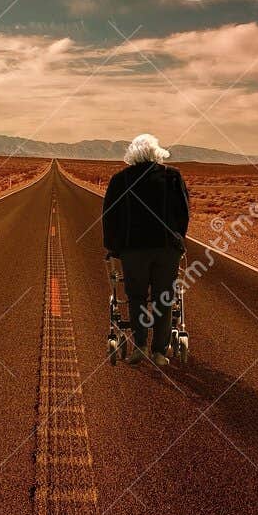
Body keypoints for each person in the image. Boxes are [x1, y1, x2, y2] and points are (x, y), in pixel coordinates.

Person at [102, 133, 190, 365]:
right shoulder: (172, 176)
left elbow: (109, 216)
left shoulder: (120, 180)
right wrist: (179, 238)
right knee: (164, 298)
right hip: (166, 249)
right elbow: (183, 212)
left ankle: (139, 346)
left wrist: (113, 246)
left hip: (133, 250)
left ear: (133, 153)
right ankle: (159, 352)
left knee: (137, 297)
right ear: (156, 152)